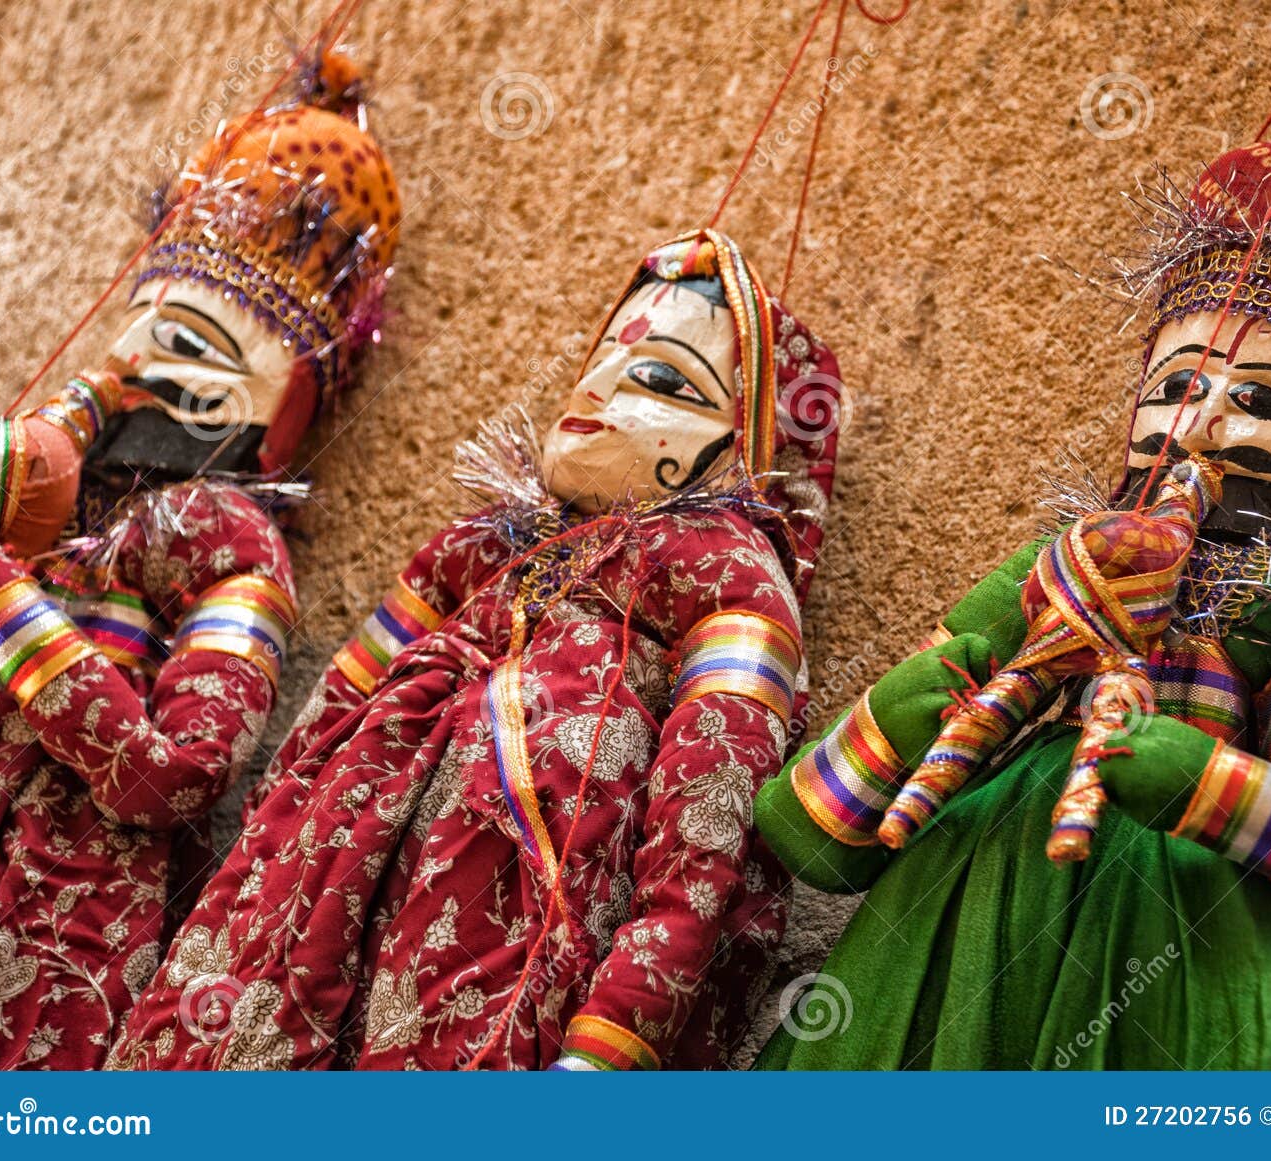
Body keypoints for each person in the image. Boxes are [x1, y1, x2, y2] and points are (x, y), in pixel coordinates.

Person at [756, 116, 1271, 1070]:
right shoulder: (1048, 572)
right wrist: (976, 666)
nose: (1199, 423)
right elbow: (809, 832)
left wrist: (1199, 781)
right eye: (1177, 384)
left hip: (1195, 940)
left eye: (1265, 403)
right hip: (970, 909)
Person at [110, 230, 842, 1070]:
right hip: (305, 912)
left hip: (499, 969)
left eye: (661, 380)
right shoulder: (489, 547)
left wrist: (613, 1041)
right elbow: (327, 722)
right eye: (604, 354)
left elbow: (703, 844)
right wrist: (262, 860)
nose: (598, 385)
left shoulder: (722, 574)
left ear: (734, 453)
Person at [0, 46, 399, 1069]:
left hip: (11, 958)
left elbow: (176, 777)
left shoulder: (230, 551)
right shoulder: (27, 486)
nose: (125, 369)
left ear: (278, 410)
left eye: (189, 346)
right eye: (136, 331)